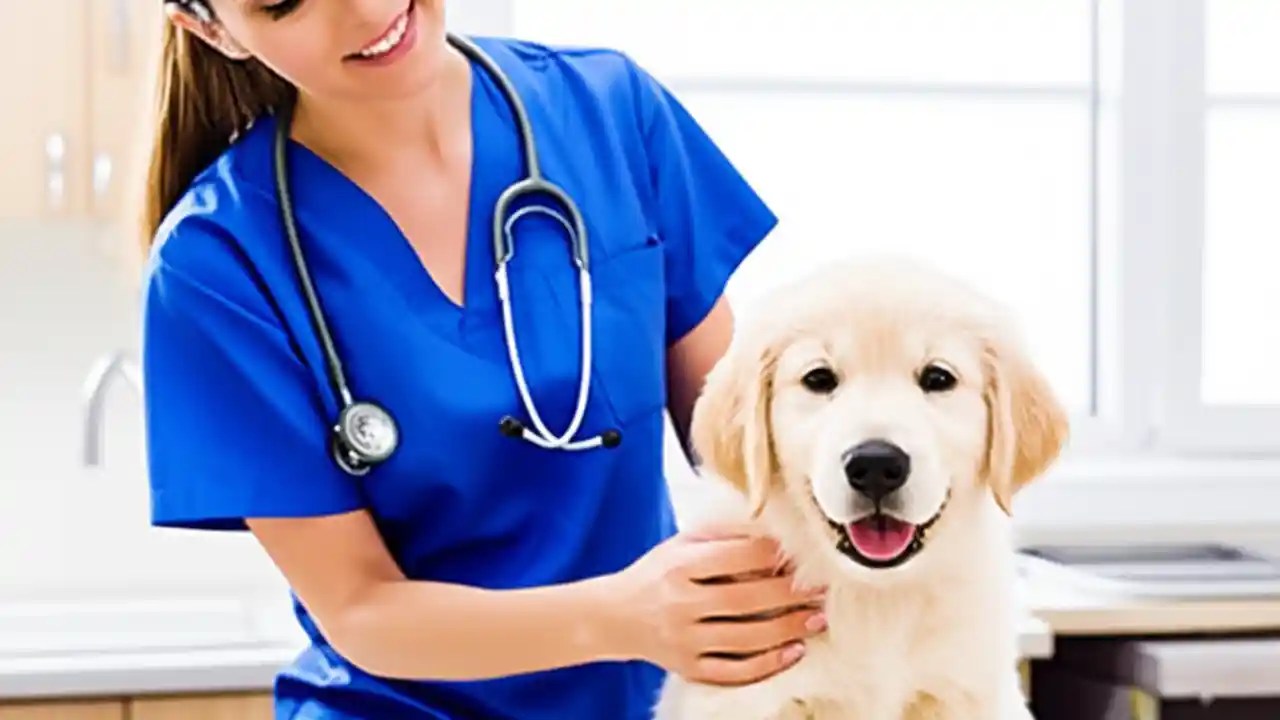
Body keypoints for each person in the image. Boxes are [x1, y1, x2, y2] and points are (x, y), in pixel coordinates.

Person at [138, 1, 826, 718]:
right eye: (286, 2)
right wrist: (622, 616)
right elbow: (360, 611)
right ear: (211, 28)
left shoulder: (610, 113)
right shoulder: (217, 263)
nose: (367, 9)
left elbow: (744, 454)